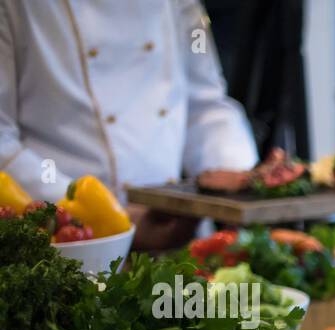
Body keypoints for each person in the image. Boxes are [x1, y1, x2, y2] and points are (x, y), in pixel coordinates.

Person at [0, 0, 257, 250]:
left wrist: (241, 181)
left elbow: (205, 106)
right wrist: (113, 220)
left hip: (179, 239)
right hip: (70, 244)